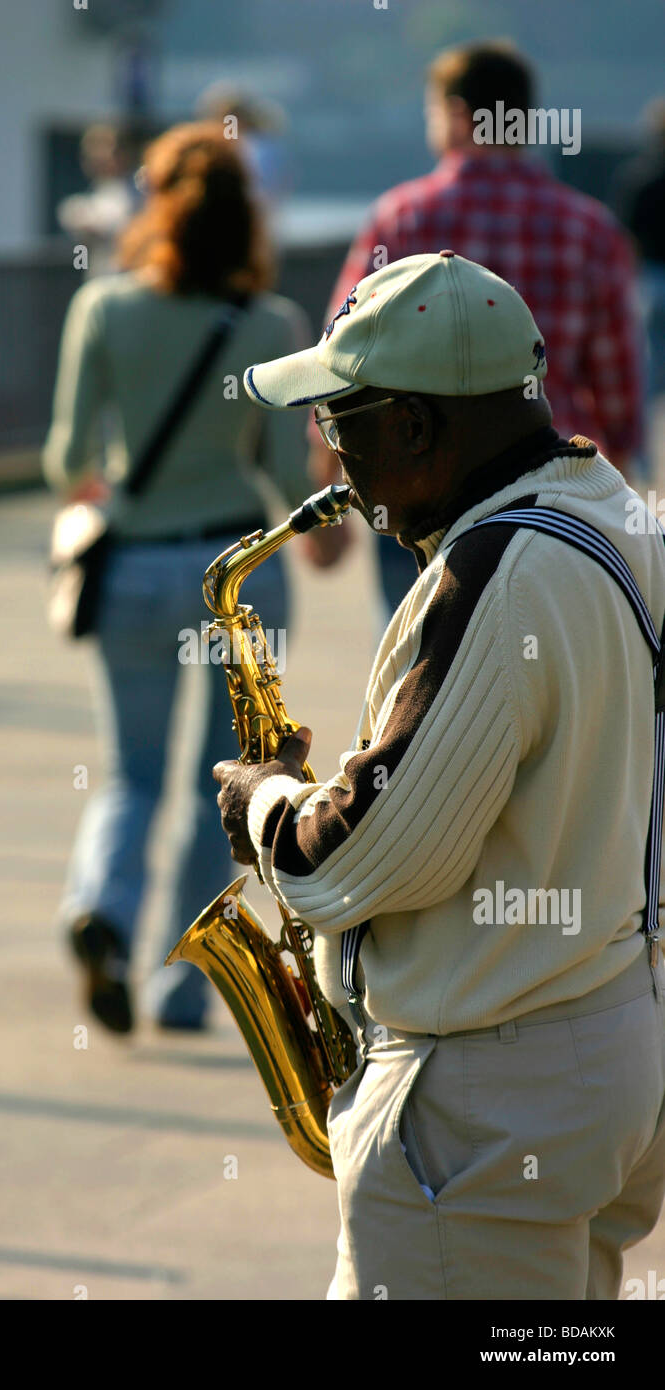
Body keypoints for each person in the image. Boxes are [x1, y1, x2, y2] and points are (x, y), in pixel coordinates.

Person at [214, 249, 665, 1299]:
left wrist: (263, 803)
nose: (333, 463)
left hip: (483, 1101)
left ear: (415, 425)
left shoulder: (496, 572)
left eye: (341, 424)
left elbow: (357, 863)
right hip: (596, 1040)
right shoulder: (618, 516)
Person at [43, 122, 314, 1034]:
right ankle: (182, 981)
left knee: (131, 775)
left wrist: (108, 491)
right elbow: (283, 470)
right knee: (226, 784)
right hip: (233, 579)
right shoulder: (270, 325)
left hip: (130, 570)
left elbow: (65, 458)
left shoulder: (106, 310)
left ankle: (103, 914)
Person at [311, 41, 646, 617]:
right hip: (555, 497)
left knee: (416, 679)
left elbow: (340, 359)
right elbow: (619, 389)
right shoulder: (590, 228)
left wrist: (325, 478)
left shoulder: (402, 217)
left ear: (456, 114)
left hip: (416, 487)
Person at [613, 98, 665, 420]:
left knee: (646, 368)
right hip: (649, 278)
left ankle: (642, 452)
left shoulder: (640, 178)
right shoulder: (640, 178)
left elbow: (625, 237)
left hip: (649, 279)